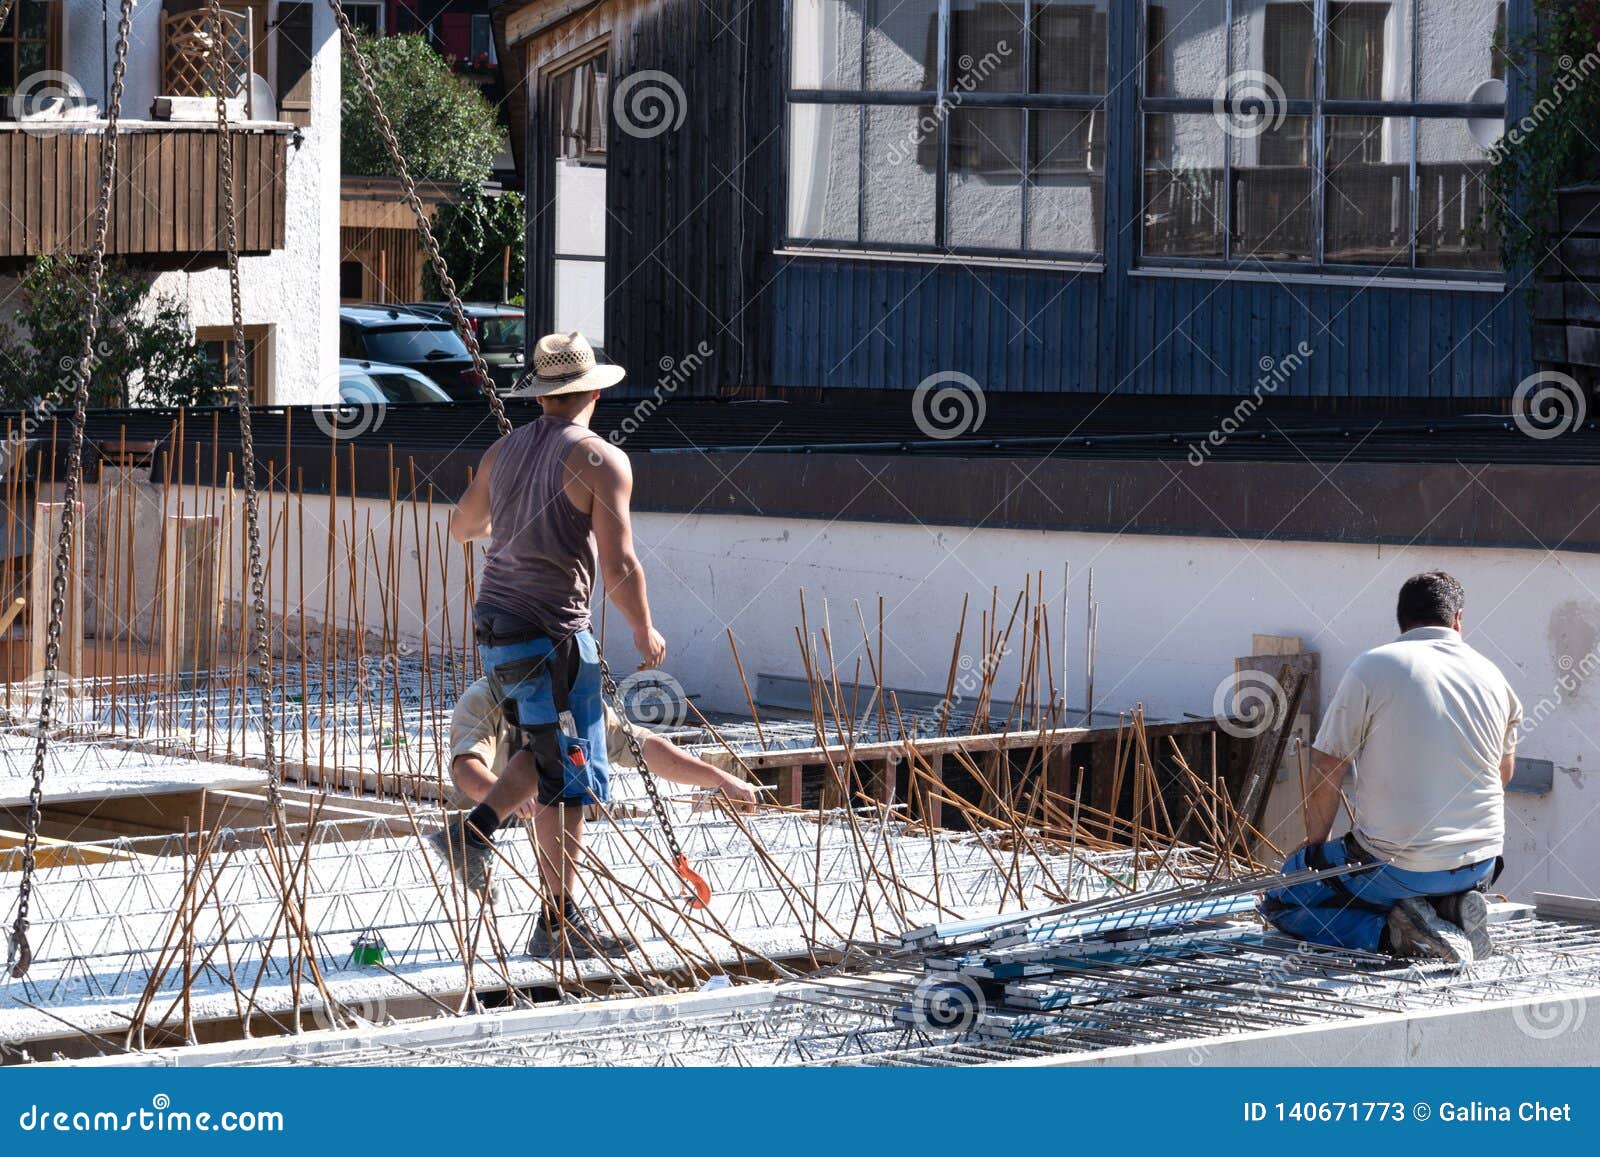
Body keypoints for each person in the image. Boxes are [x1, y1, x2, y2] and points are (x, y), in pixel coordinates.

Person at [430, 331, 691, 958]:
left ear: (542, 393)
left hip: (496, 623)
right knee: (567, 764)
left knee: (559, 768)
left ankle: (550, 914)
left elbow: (462, 526)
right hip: (552, 631)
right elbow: (620, 561)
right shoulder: (599, 459)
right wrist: (643, 628)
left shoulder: (504, 450)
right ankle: (477, 837)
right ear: (593, 391)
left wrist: (509, 520)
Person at [1264, 572, 1521, 963]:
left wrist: (1316, 842)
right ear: (1458, 620)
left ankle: (1394, 935)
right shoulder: (1495, 677)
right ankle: (1449, 909)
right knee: (1376, 883)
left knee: (1282, 898)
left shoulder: (1374, 667)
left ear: (1401, 621)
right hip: (1481, 866)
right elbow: (1503, 776)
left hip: (1396, 867)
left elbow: (1326, 763)